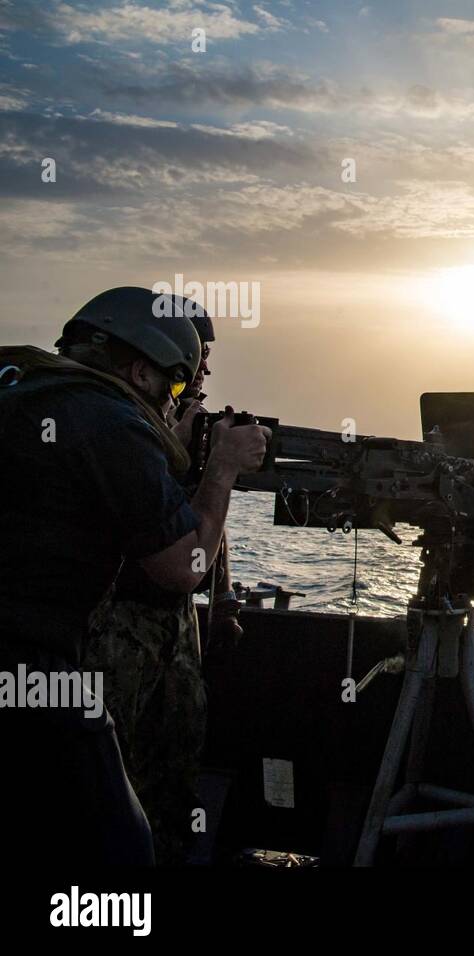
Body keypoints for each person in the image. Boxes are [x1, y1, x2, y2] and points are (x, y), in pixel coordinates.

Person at [0, 286, 268, 865]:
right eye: (177, 385)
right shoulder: (109, 420)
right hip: (36, 662)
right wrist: (220, 469)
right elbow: (182, 567)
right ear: (141, 370)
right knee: (119, 846)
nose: (181, 400)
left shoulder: (19, 384)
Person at [82, 303, 241, 864]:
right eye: (194, 359)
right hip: (118, 624)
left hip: (175, 623)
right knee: (109, 770)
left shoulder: (192, 422)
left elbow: (206, 527)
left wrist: (222, 602)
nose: (201, 373)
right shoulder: (125, 425)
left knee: (174, 758)